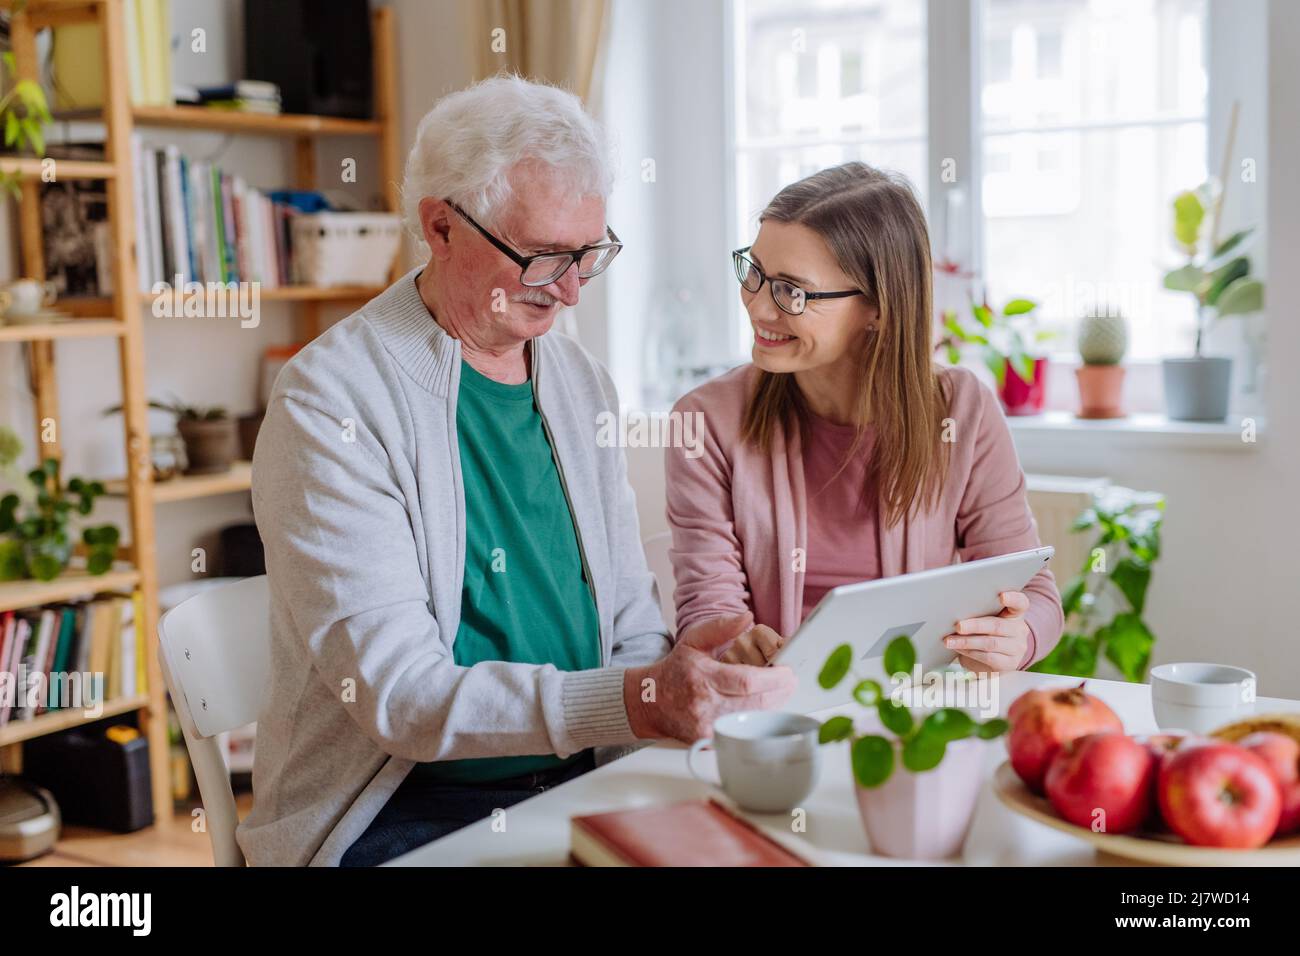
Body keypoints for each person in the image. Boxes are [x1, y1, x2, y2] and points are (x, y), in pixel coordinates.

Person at [238, 75, 793, 867]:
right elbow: (401, 700)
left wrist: (679, 661)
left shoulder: (576, 382)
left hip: (583, 771)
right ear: (441, 227)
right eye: (541, 258)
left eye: (588, 254)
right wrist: (639, 698)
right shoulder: (330, 402)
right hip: (399, 810)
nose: (569, 291)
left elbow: (630, 619)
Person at [666, 162, 1063, 672]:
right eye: (755, 272)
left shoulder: (962, 411)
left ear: (877, 307)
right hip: (775, 719)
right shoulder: (705, 422)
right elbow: (708, 609)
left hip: (913, 711)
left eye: (791, 291)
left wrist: (1016, 637)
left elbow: (1034, 595)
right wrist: (730, 645)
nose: (759, 308)